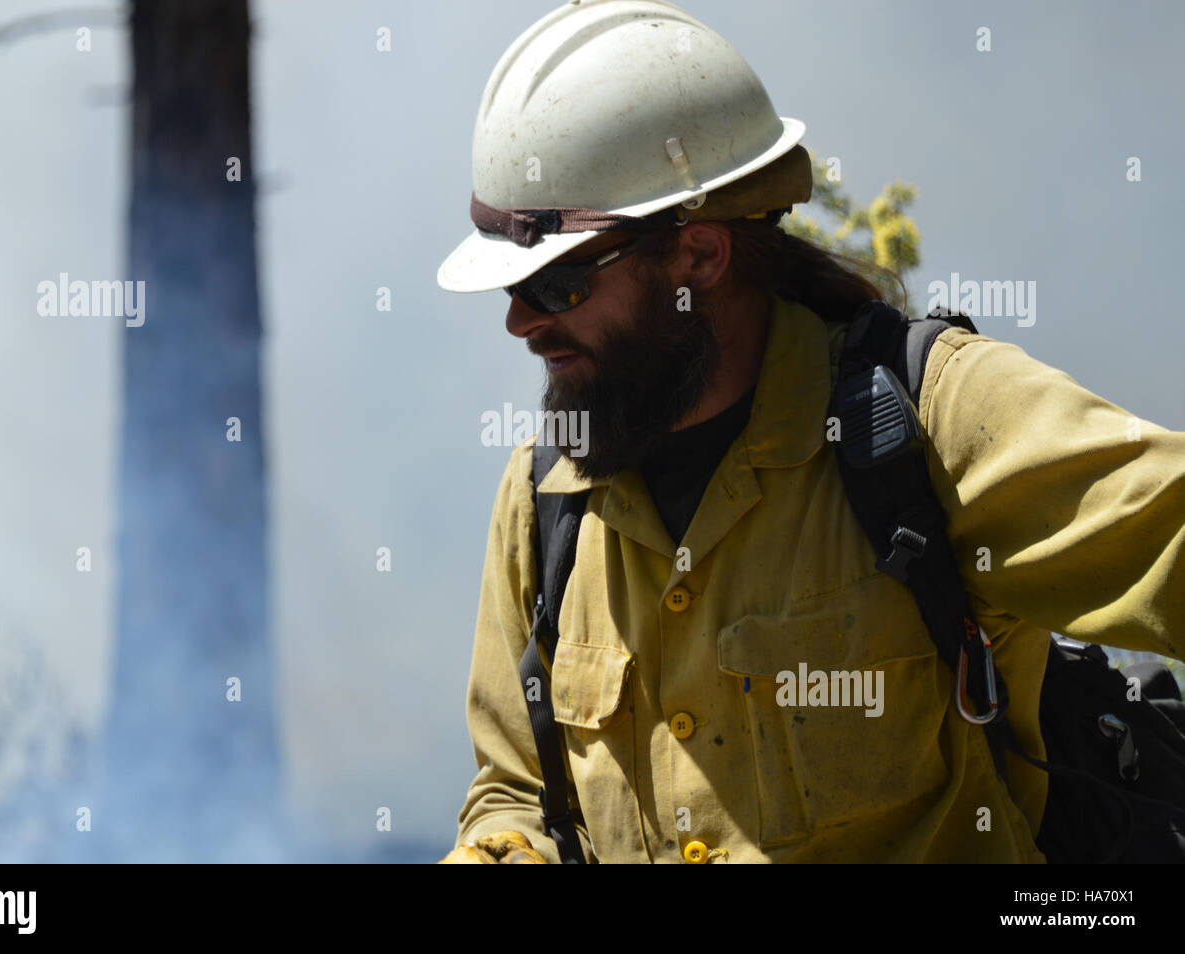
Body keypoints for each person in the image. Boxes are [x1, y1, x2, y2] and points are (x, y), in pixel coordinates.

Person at [434, 0, 1185, 863]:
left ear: (700, 259)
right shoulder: (544, 504)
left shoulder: (928, 422)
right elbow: (515, 789)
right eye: (510, 289)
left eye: (558, 284)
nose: (522, 324)